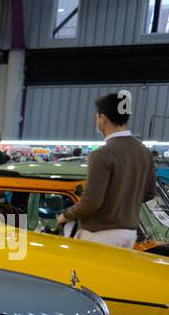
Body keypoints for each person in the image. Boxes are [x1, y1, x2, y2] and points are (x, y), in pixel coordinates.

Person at [57, 92, 157, 249]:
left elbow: (91, 202)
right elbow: (149, 193)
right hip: (130, 233)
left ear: (102, 118)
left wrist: (66, 215)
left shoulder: (101, 154)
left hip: (100, 234)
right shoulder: (144, 151)